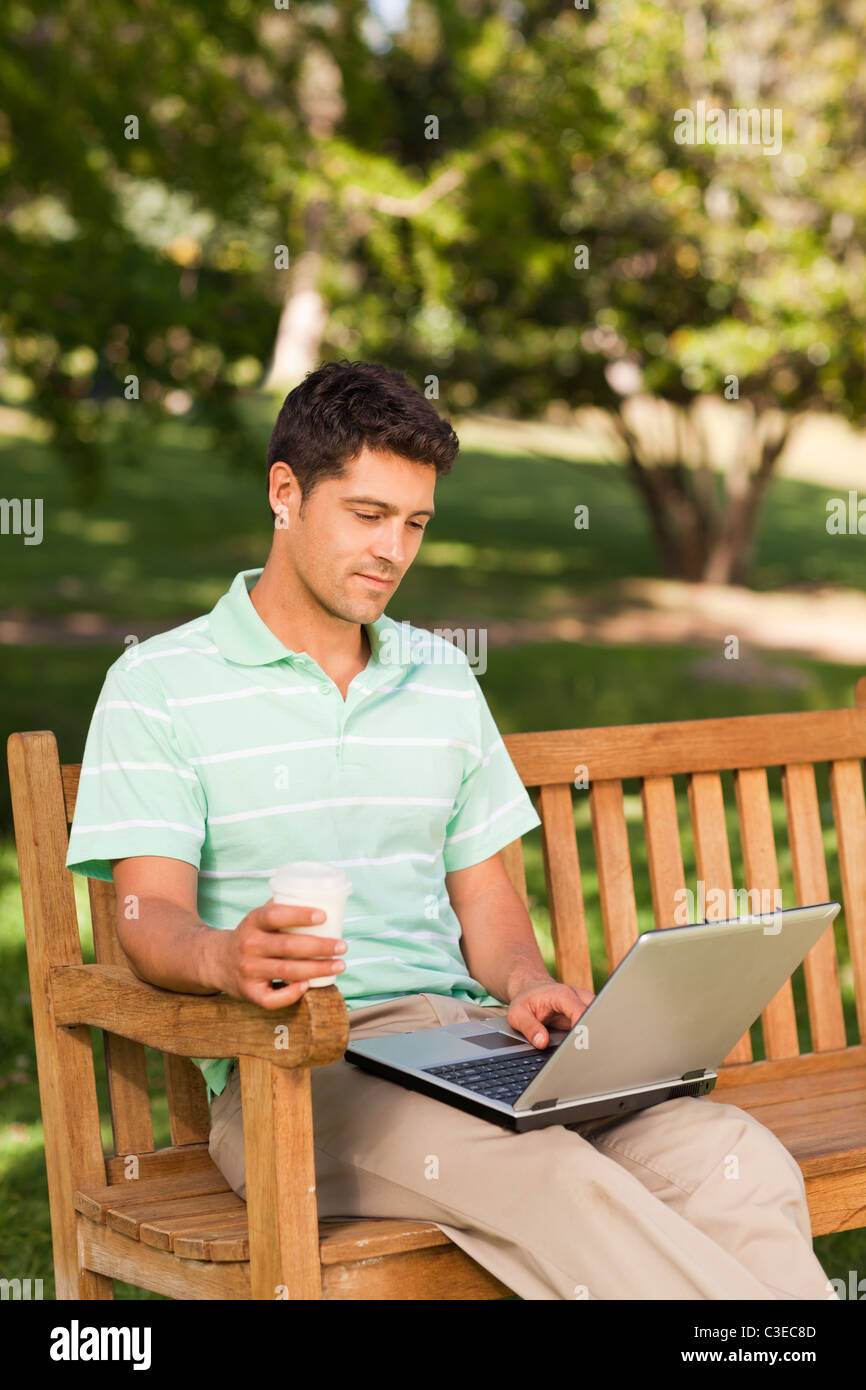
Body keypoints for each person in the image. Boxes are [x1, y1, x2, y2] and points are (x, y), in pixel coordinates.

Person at [66, 359, 835, 1300]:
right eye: (367, 514)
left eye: (415, 524)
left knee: (735, 1157)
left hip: (475, 1049)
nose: (394, 549)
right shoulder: (161, 685)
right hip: (308, 1073)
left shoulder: (438, 676)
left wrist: (529, 983)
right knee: (555, 1183)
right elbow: (148, 917)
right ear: (284, 493)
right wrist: (229, 958)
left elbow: (490, 904)